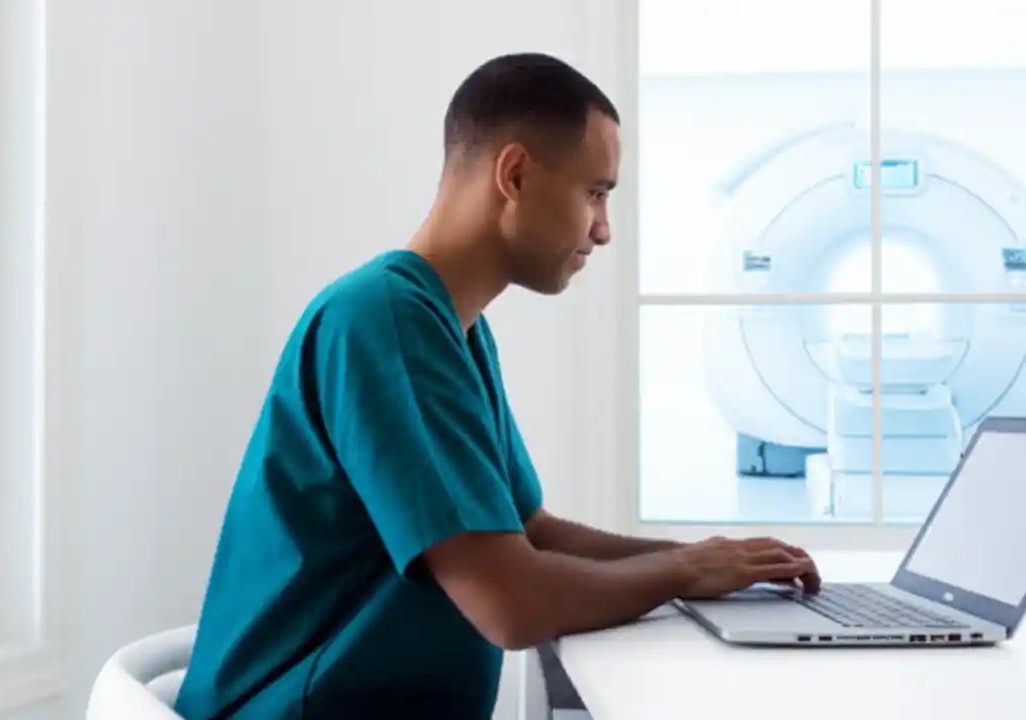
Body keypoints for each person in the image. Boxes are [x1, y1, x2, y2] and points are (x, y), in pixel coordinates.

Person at [175, 52, 821, 720]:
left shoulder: (453, 327)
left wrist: (704, 559)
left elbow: (527, 533)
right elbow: (511, 604)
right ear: (514, 174)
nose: (603, 230)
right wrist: (684, 574)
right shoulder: (385, 323)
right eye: (595, 194)